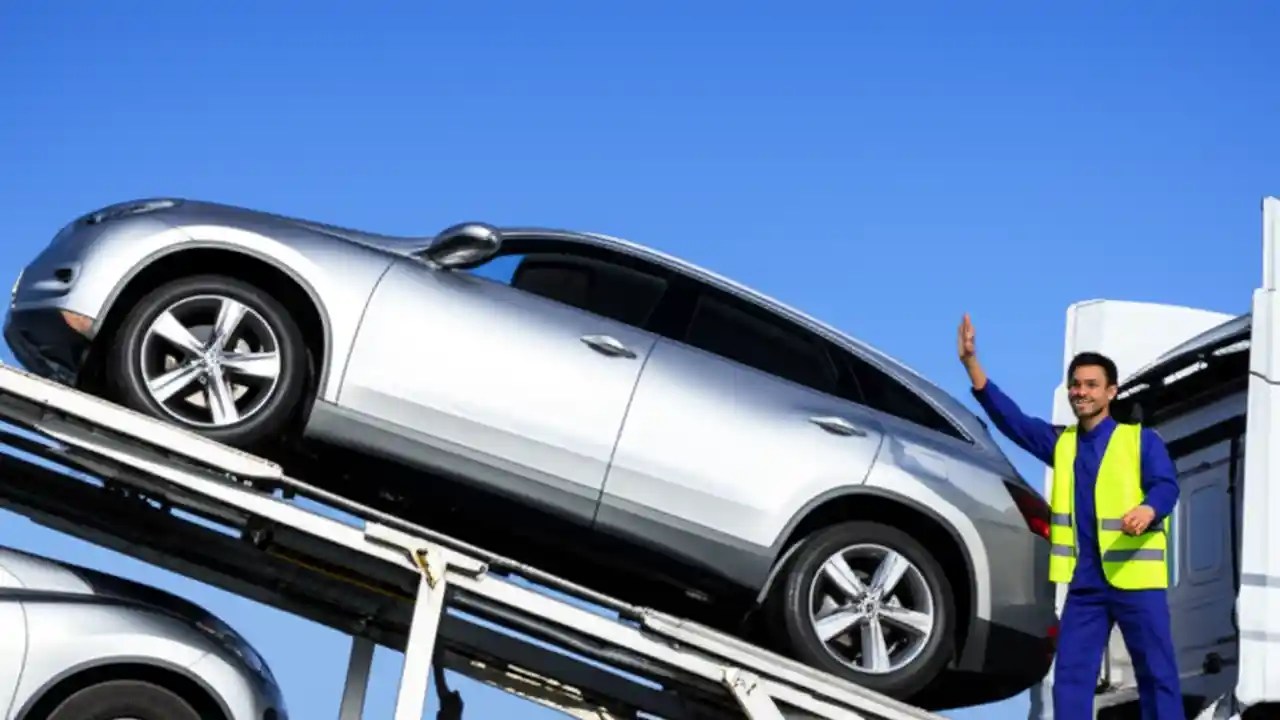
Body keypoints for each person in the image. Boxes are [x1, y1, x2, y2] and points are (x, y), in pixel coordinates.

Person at [956, 313, 1183, 719]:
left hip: (1136, 579)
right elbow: (1013, 422)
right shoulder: (1062, 443)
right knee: (1070, 680)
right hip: (1086, 587)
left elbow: (1166, 486)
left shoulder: (1139, 441)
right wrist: (972, 364)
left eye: (1091, 385)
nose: (1081, 392)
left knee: (1156, 674)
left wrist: (1149, 509)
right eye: (1076, 384)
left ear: (1111, 392)